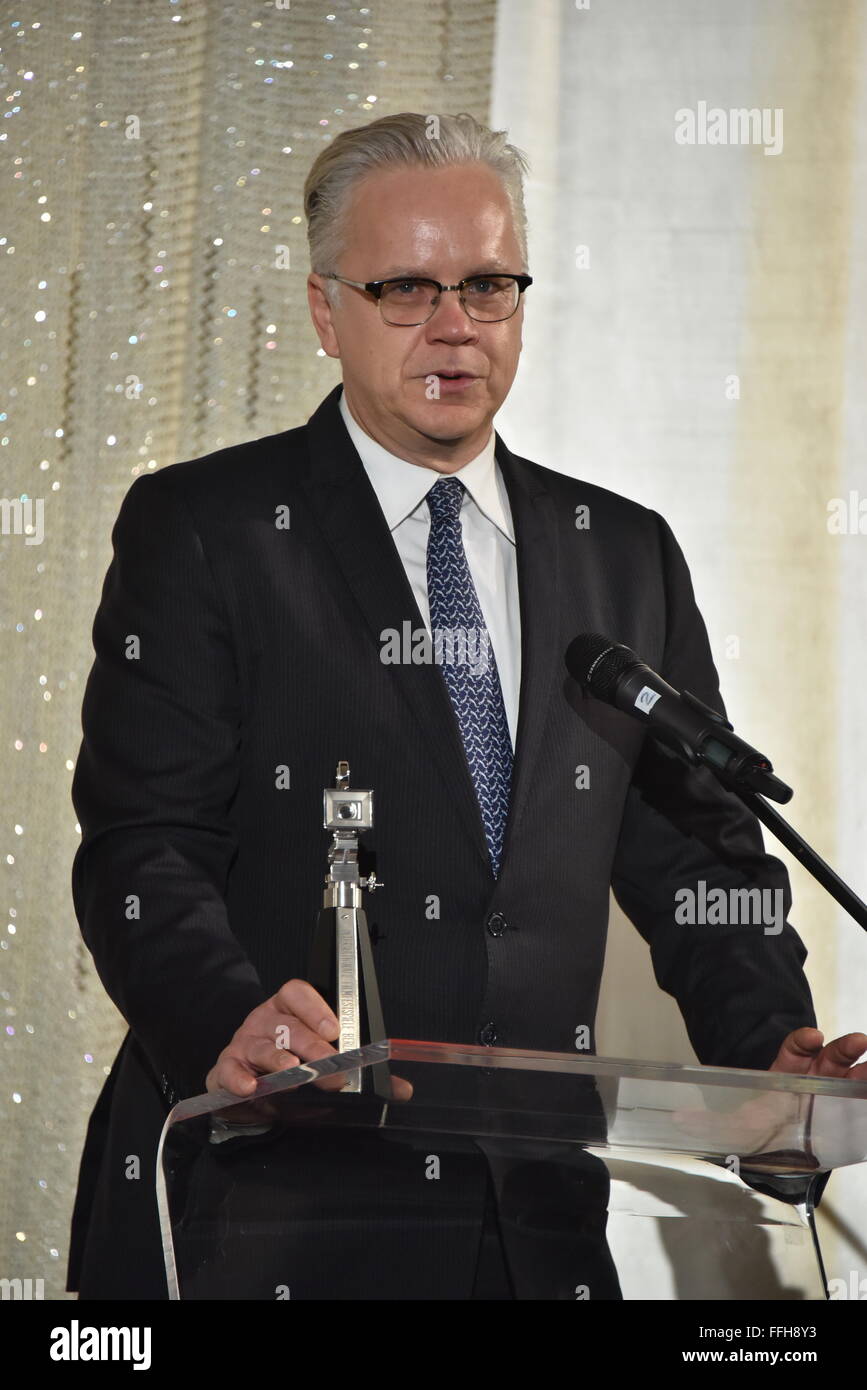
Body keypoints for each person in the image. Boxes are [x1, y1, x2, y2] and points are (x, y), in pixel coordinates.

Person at [67, 111, 867, 1301]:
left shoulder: (621, 554)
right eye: (406, 287)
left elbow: (699, 851)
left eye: (488, 284)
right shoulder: (209, 531)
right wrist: (225, 1013)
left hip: (532, 1230)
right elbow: (143, 844)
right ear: (325, 309)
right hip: (271, 1211)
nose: (455, 325)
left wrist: (769, 1049)